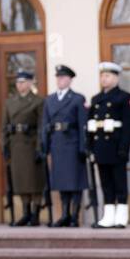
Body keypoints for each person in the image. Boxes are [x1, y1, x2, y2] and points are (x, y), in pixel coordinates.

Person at [86, 61, 130, 229]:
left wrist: (124, 147)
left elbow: (129, 125)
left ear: (116, 77)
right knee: (106, 183)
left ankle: (121, 216)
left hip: (116, 147)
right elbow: (91, 124)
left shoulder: (124, 97)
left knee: (119, 182)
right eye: (102, 76)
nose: (104, 79)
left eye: (107, 75)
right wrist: (90, 147)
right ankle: (108, 216)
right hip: (101, 148)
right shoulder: (96, 99)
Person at [41, 64, 88, 227]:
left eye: (63, 77)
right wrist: (44, 146)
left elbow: (83, 125)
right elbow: (45, 124)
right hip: (57, 144)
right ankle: (64, 215)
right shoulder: (50, 99)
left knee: (75, 181)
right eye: (58, 77)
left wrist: (84, 147)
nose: (60, 80)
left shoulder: (77, 98)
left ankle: (74, 216)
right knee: (61, 182)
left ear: (69, 80)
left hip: (72, 143)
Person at [3, 70, 43, 226]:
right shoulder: (10, 102)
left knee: (34, 181)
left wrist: (40, 147)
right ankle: (25, 212)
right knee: (20, 180)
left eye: (24, 82)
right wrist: (4, 145)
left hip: (31, 143)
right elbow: (4, 125)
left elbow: (41, 126)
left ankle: (36, 213)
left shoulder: (38, 101)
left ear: (31, 83)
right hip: (16, 144)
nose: (20, 85)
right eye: (18, 82)